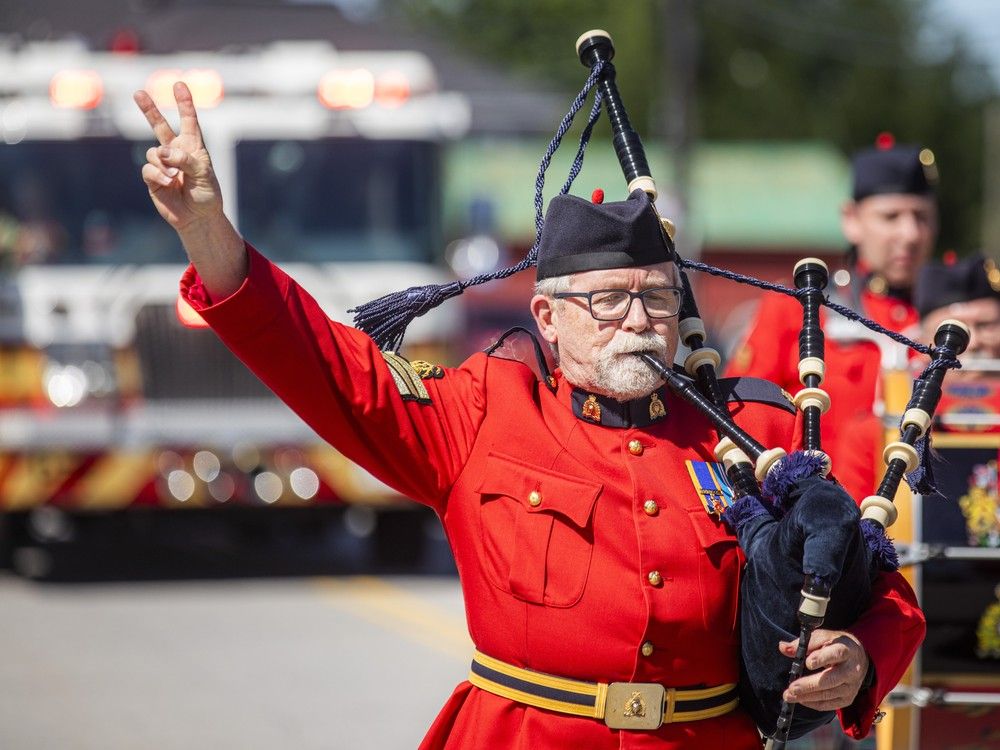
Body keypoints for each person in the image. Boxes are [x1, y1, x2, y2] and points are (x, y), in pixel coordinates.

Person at [134, 82, 924, 749]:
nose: (639, 321)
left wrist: (859, 655)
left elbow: (881, 586)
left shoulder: (748, 437)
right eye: (609, 301)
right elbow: (323, 364)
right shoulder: (482, 413)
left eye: (656, 298)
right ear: (547, 319)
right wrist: (208, 231)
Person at [725, 142, 938, 503]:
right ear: (852, 220)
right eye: (891, 217)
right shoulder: (800, 308)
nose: (911, 234)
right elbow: (742, 418)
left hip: (926, 531)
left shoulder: (953, 321)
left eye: (922, 217)